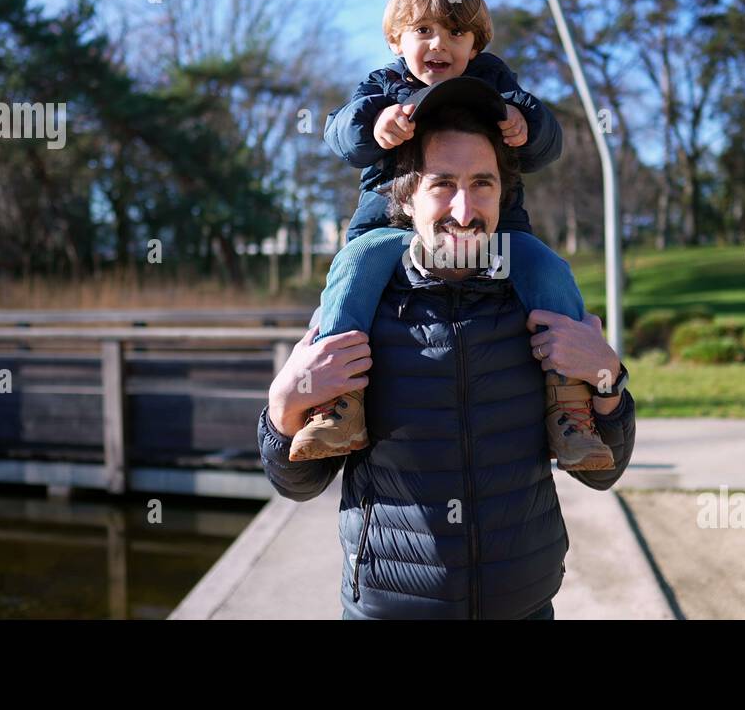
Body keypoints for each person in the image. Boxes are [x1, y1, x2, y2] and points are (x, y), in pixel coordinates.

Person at [257, 87, 636, 620]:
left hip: (524, 608)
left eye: (482, 183)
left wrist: (608, 376)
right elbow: (297, 483)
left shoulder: (539, 306)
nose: (465, 208)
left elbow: (603, 472)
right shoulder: (362, 309)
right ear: (406, 199)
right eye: (442, 185)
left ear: (502, 194)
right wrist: (282, 407)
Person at [287, 0, 612, 472]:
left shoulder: (497, 86)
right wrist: (375, 127)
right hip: (386, 230)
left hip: (500, 232)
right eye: (423, 31)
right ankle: (339, 406)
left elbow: (550, 140)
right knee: (352, 271)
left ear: (475, 46)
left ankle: (570, 407)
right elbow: (340, 135)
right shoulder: (382, 87)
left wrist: (529, 128)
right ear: (396, 40)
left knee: (548, 268)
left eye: (456, 32)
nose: (440, 44)